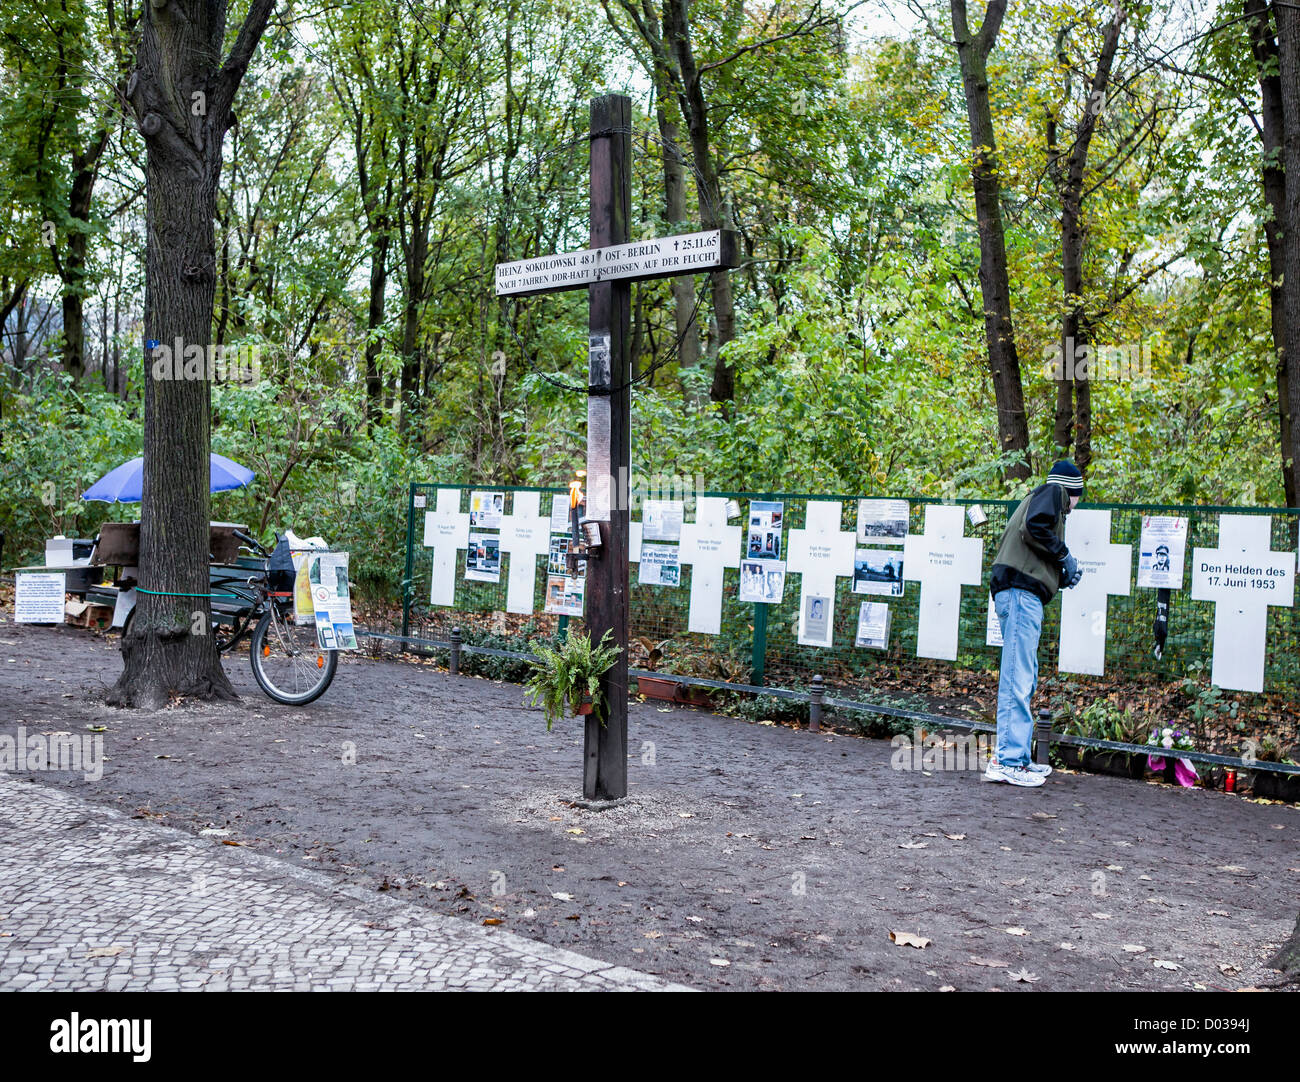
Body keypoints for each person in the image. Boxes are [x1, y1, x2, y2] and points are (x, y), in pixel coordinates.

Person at [984, 460, 1085, 788]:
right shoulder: (1053, 492)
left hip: (1021, 591)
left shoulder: (1041, 496)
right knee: (1017, 675)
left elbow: (1033, 538)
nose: (1076, 504)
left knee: (1022, 675)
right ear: (1072, 490)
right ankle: (1008, 761)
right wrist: (1065, 556)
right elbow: (1036, 526)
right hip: (1019, 592)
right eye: (1078, 496)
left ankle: (1017, 757)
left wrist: (1059, 573)